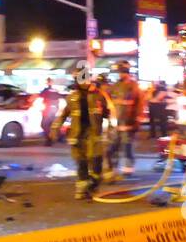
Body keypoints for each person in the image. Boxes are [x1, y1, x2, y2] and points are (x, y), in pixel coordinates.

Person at [51, 67, 108, 200]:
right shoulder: (71, 98)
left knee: (96, 162)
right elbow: (63, 114)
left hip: (94, 134)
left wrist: (111, 128)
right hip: (77, 135)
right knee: (81, 162)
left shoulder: (98, 95)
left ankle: (93, 184)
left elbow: (107, 113)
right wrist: (55, 128)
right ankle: (82, 189)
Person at [107, 61, 143, 176]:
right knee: (113, 146)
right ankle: (113, 167)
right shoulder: (115, 86)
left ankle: (128, 168)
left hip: (128, 122)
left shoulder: (134, 86)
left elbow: (140, 104)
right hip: (116, 122)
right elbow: (109, 101)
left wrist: (137, 119)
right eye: (120, 72)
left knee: (127, 146)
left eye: (123, 72)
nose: (121, 74)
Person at [39, 77, 63, 146]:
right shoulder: (55, 90)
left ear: (47, 82)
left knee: (44, 125)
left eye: (47, 81)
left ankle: (50, 139)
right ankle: (59, 137)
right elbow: (60, 98)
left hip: (47, 110)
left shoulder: (45, 90)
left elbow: (40, 96)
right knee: (52, 125)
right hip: (54, 110)